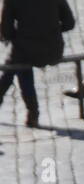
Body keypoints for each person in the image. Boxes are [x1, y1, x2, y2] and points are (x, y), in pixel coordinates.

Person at [0, 0, 75, 128]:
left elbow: (6, 31)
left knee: (15, 67)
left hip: (25, 49)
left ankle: (33, 112)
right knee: (17, 63)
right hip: (53, 49)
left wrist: (19, 36)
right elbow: (69, 23)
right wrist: (53, 30)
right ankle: (33, 114)